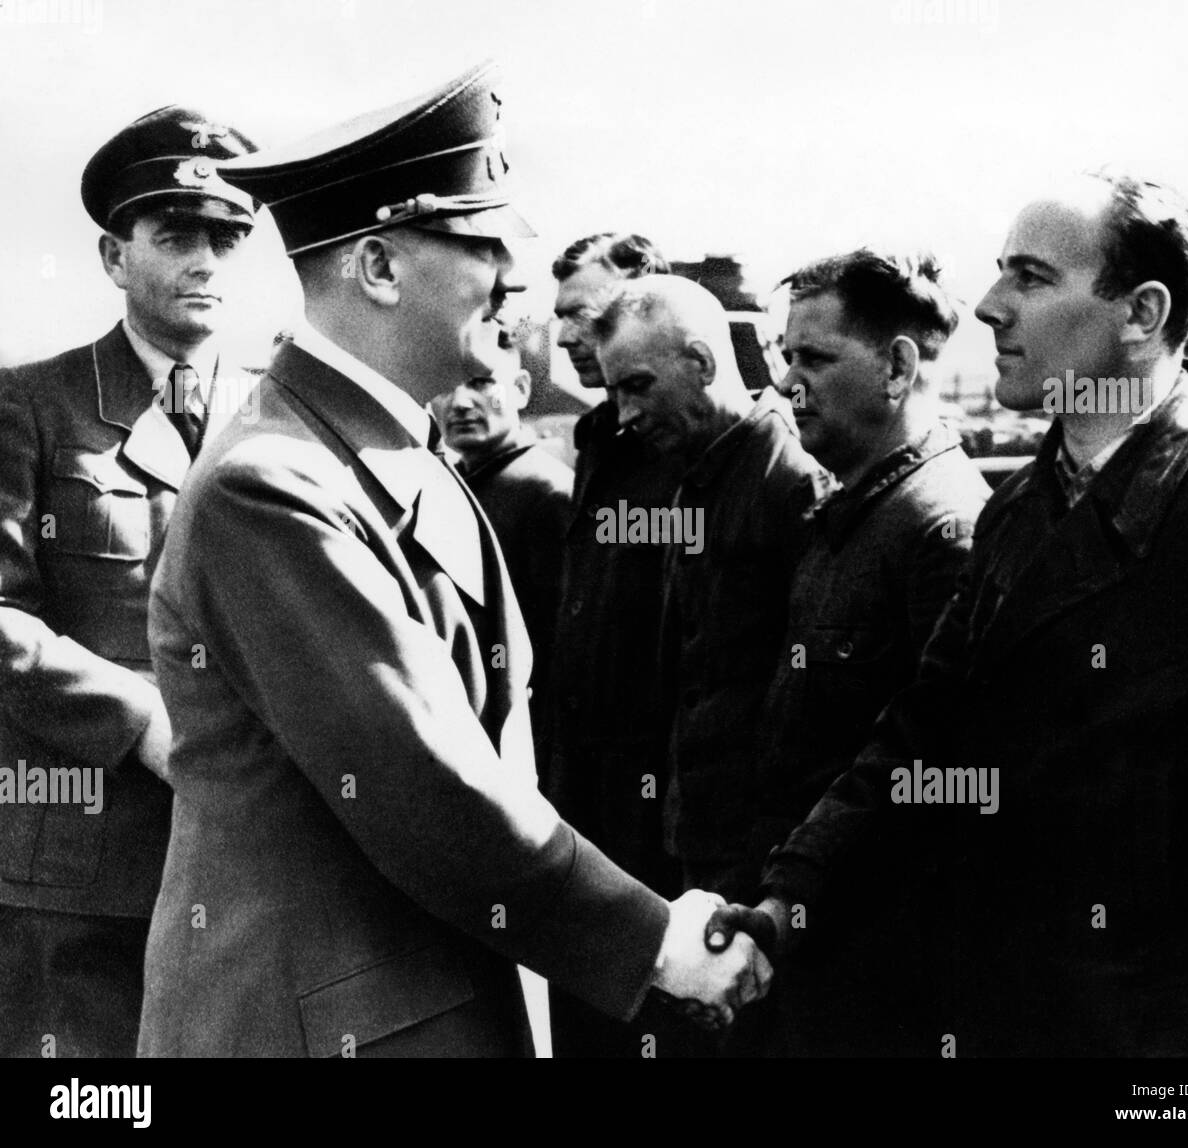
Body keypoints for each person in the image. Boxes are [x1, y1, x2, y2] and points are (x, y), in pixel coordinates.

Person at [137, 61, 769, 1058]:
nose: (513, 277)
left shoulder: (388, 450)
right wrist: (656, 941)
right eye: (479, 242)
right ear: (380, 269)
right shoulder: (273, 485)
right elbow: (427, 792)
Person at [725, 170, 1188, 1056]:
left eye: (1030, 277)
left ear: (1142, 313)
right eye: (1000, 273)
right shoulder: (1017, 510)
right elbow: (923, 739)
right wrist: (783, 907)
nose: (990, 306)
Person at [0, 105, 260, 1057]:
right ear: (115, 258)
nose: (206, 262)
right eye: (177, 235)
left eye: (228, 238)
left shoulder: (277, 416)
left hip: (245, 858)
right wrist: (141, 719)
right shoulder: (31, 404)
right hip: (81, 862)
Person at [752, 247, 990, 1055]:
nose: (789, 384)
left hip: (889, 974)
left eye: (814, 358)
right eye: (787, 359)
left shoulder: (946, 528)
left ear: (896, 366)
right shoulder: (852, 512)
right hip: (824, 947)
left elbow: (939, 773)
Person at [591, 275, 831, 907]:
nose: (625, 415)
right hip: (702, 840)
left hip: (763, 860)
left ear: (701, 362)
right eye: (614, 393)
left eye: (638, 386)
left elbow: (810, 707)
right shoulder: (697, 473)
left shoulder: (790, 479)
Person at [546, 233, 680, 1058]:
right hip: (588, 807)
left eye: (585, 316)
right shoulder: (601, 440)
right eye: (559, 317)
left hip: (656, 819)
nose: (565, 337)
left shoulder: (689, 444)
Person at [436, 324, 573, 785]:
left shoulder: (546, 492)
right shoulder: (464, 481)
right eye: (444, 386)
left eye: (480, 383)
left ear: (520, 389)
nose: (458, 403)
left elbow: (558, 655)